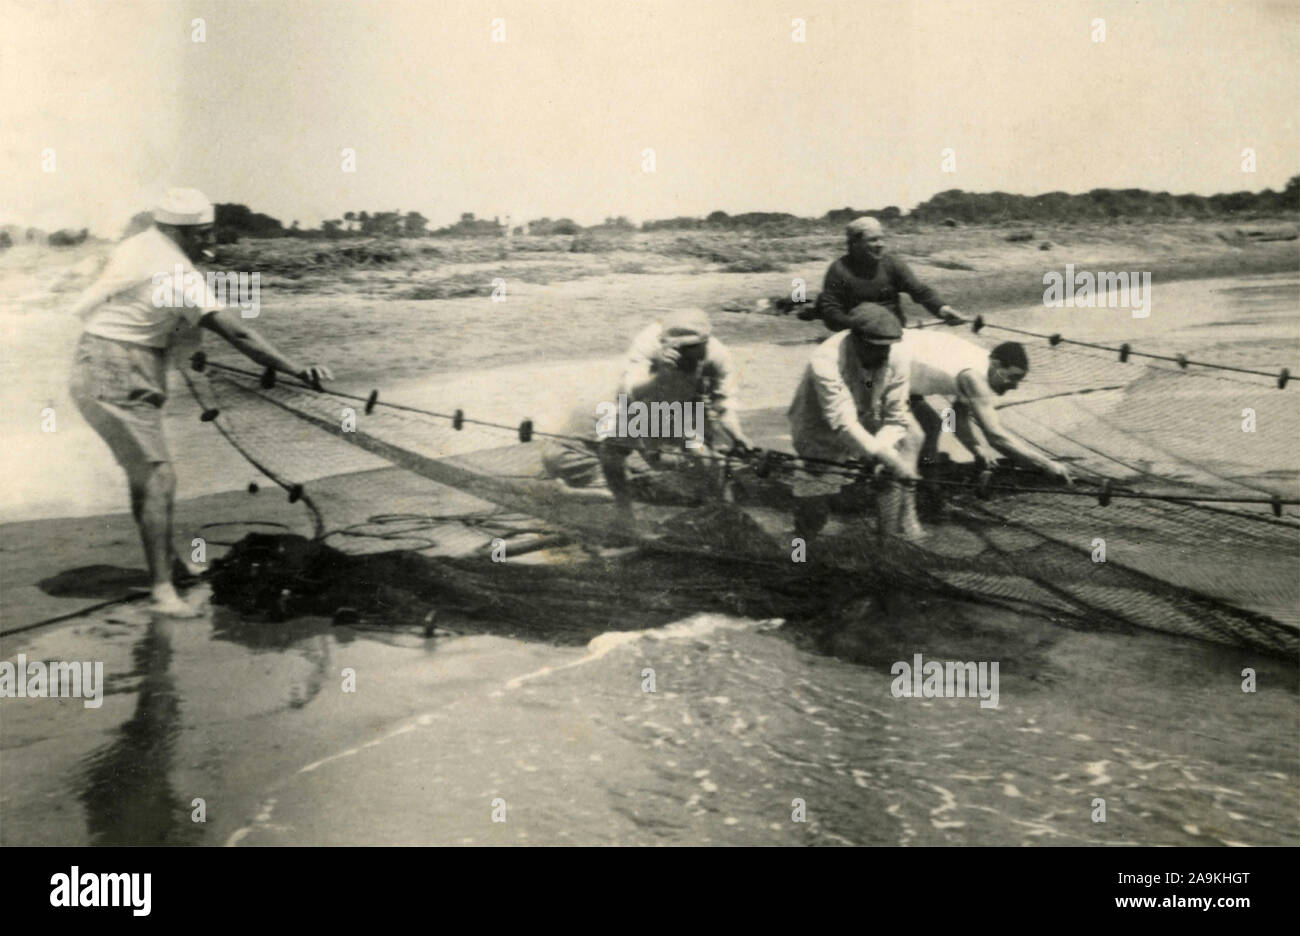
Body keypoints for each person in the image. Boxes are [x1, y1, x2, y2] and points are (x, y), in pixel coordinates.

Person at [69, 188, 332, 616]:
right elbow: (238, 333)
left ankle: (167, 570)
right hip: (116, 369)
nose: (207, 243)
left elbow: (159, 320)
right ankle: (161, 592)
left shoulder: (141, 245)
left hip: (105, 363)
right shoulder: (176, 271)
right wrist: (296, 368)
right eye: (200, 235)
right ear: (175, 230)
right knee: (157, 478)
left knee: (147, 473)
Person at [540, 308, 751, 505]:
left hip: (642, 412)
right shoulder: (645, 359)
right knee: (627, 495)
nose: (687, 353)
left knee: (690, 460)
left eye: (694, 347)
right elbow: (629, 397)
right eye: (680, 348)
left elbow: (723, 406)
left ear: (706, 341)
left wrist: (737, 436)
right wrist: (660, 378)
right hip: (570, 454)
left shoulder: (718, 356)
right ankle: (566, 494)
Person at [787, 304, 926, 541]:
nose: (883, 354)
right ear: (856, 340)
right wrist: (890, 460)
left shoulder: (897, 355)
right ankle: (800, 550)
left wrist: (884, 455)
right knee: (813, 506)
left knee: (888, 479)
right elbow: (843, 422)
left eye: (887, 348)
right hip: (818, 427)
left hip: (867, 419)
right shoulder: (826, 358)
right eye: (875, 348)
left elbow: (896, 416)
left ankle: (887, 544)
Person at [900, 329, 1073, 484]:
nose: (1014, 386)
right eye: (1012, 377)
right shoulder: (973, 378)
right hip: (884, 368)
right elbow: (996, 437)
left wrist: (976, 450)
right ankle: (913, 485)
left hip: (904, 373)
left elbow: (954, 418)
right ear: (997, 364)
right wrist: (1046, 464)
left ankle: (926, 482)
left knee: (931, 425)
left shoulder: (983, 363)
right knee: (914, 435)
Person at [807, 216, 964, 331]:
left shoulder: (892, 264)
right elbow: (831, 310)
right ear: (855, 243)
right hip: (856, 337)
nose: (880, 245)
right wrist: (858, 325)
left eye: (882, 239)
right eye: (873, 240)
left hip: (895, 333)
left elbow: (920, 291)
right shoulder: (838, 270)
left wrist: (943, 309)